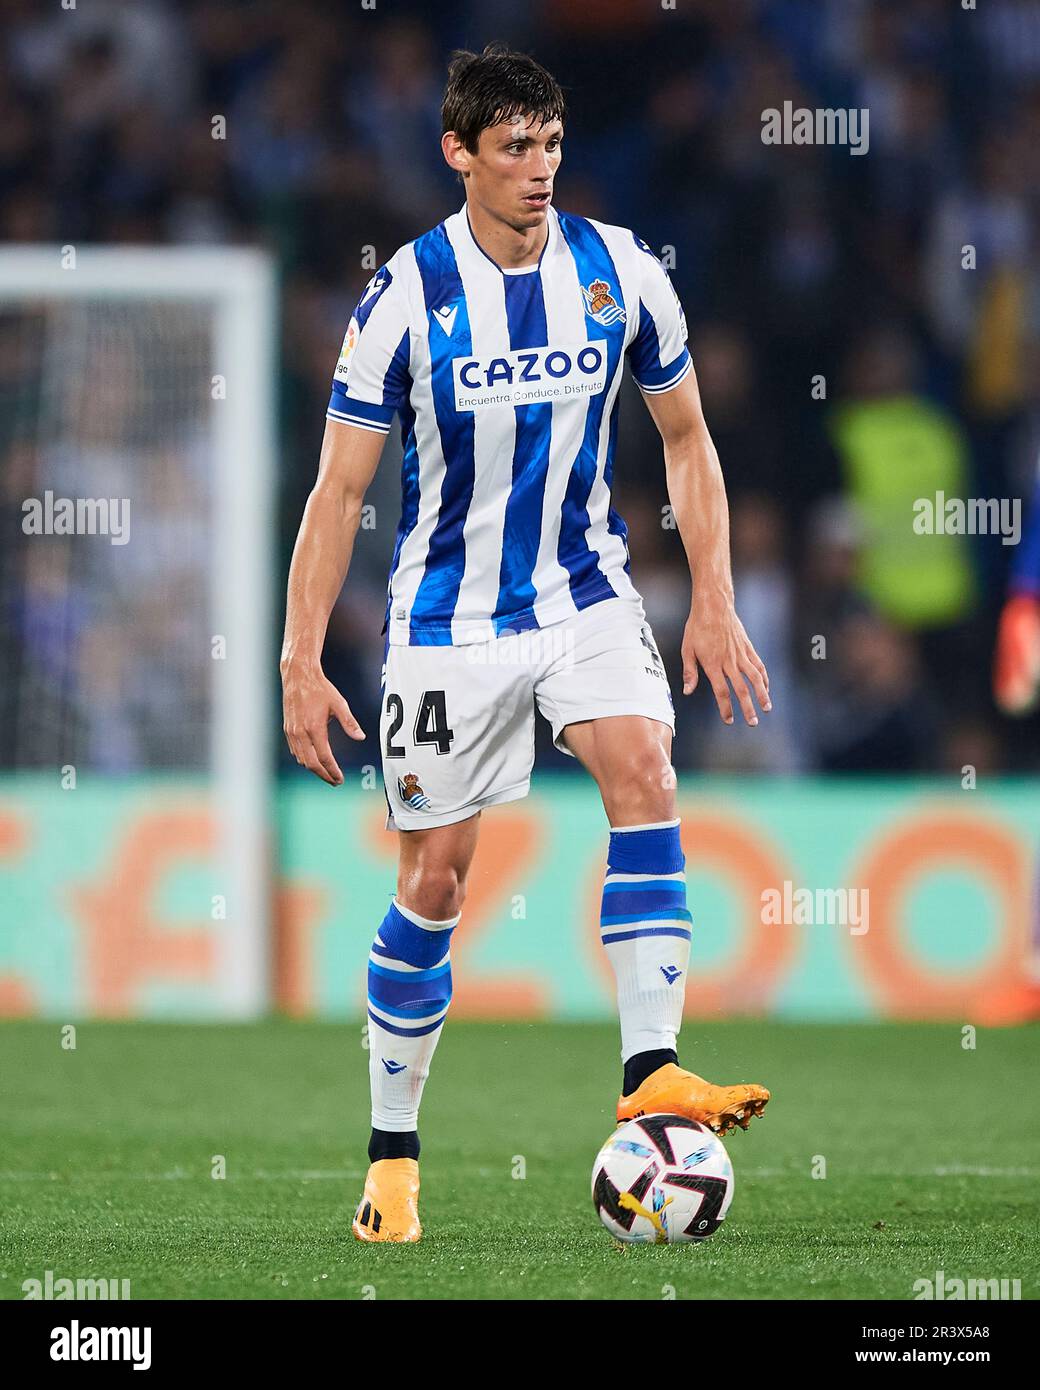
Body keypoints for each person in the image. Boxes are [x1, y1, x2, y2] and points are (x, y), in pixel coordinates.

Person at [280, 44, 771, 1244]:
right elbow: (339, 490)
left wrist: (711, 594)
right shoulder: (401, 296)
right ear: (457, 153)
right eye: (513, 149)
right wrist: (298, 659)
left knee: (646, 770)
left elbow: (688, 440)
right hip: (445, 627)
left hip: (583, 594)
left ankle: (648, 1068)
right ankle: (393, 1156)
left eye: (550, 145)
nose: (538, 169)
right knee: (434, 880)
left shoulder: (620, 272)